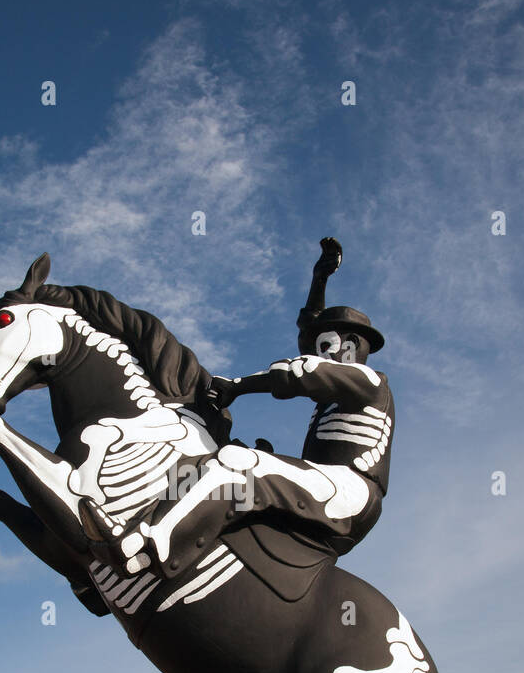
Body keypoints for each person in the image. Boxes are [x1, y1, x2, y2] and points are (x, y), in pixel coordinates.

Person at [80, 238, 392, 580]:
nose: (317, 351)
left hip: (351, 491)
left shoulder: (368, 381)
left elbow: (299, 371)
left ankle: (148, 548)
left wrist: (237, 386)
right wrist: (320, 279)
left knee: (239, 464)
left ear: (351, 345)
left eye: (326, 344)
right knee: (219, 468)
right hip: (326, 482)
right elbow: (310, 333)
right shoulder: (339, 389)